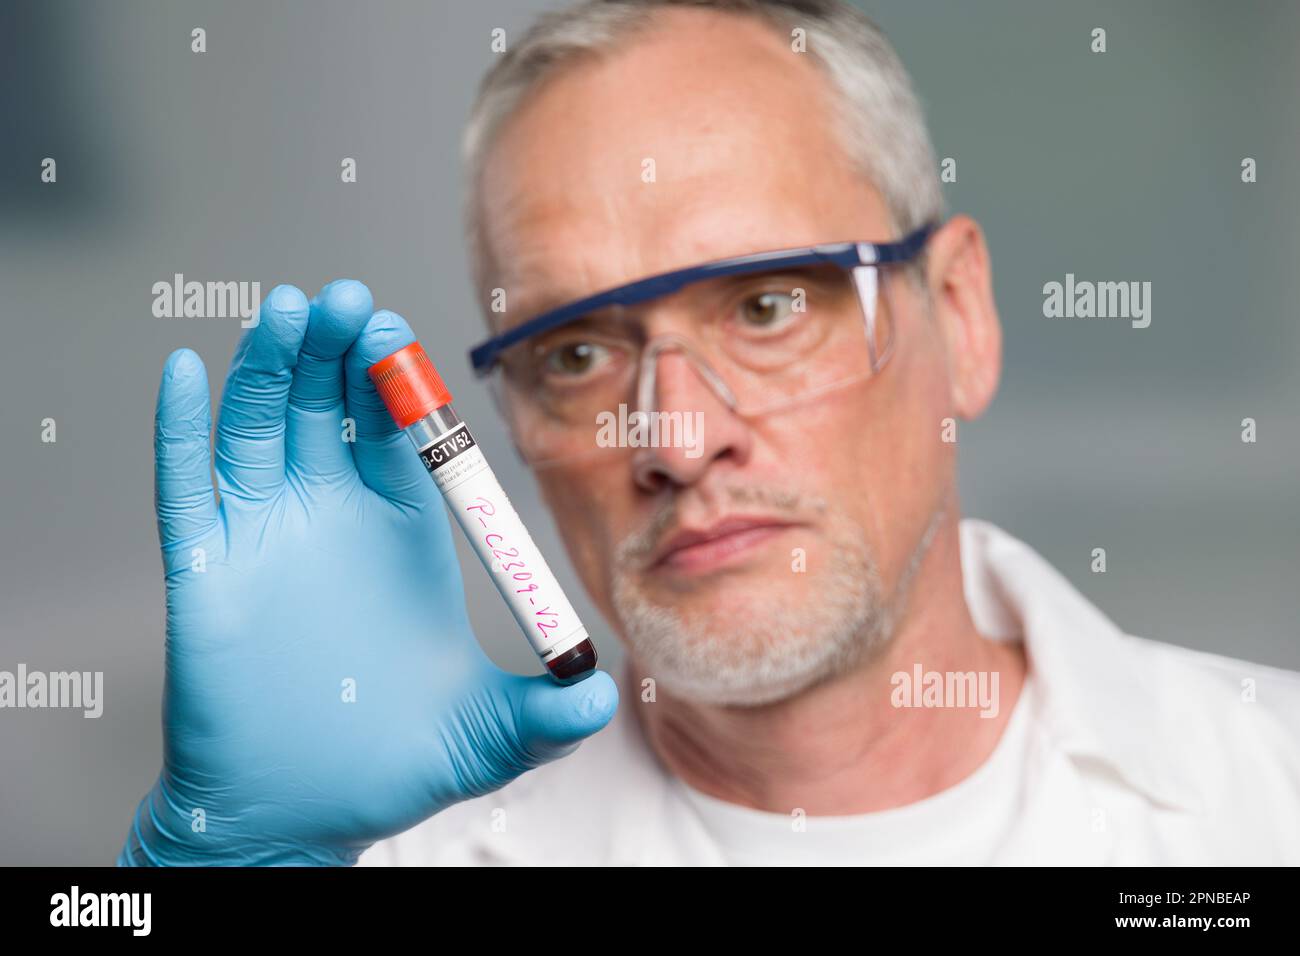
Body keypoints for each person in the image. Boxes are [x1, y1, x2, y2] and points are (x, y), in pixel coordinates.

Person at [119, 0, 1300, 867]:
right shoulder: (401, 856)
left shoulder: (1271, 789)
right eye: (575, 353)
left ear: (960, 317)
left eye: (765, 304)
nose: (676, 437)